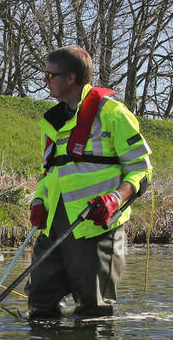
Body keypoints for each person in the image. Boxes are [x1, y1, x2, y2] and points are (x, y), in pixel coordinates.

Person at [27, 46, 152, 319]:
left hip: (96, 226)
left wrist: (115, 199)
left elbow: (142, 171)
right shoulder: (53, 123)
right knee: (39, 302)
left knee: (94, 309)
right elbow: (49, 173)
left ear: (70, 78)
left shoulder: (113, 113)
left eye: (49, 75)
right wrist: (38, 201)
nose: (45, 81)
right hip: (54, 226)